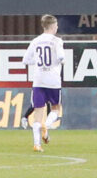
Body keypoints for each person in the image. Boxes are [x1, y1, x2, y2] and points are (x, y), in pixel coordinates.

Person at [25, 14, 66, 152]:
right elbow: (61, 57)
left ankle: (37, 144)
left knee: (37, 113)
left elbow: (25, 60)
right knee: (55, 108)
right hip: (53, 80)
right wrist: (62, 61)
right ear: (53, 26)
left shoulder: (35, 41)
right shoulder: (57, 41)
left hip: (38, 79)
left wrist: (37, 62)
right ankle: (46, 125)